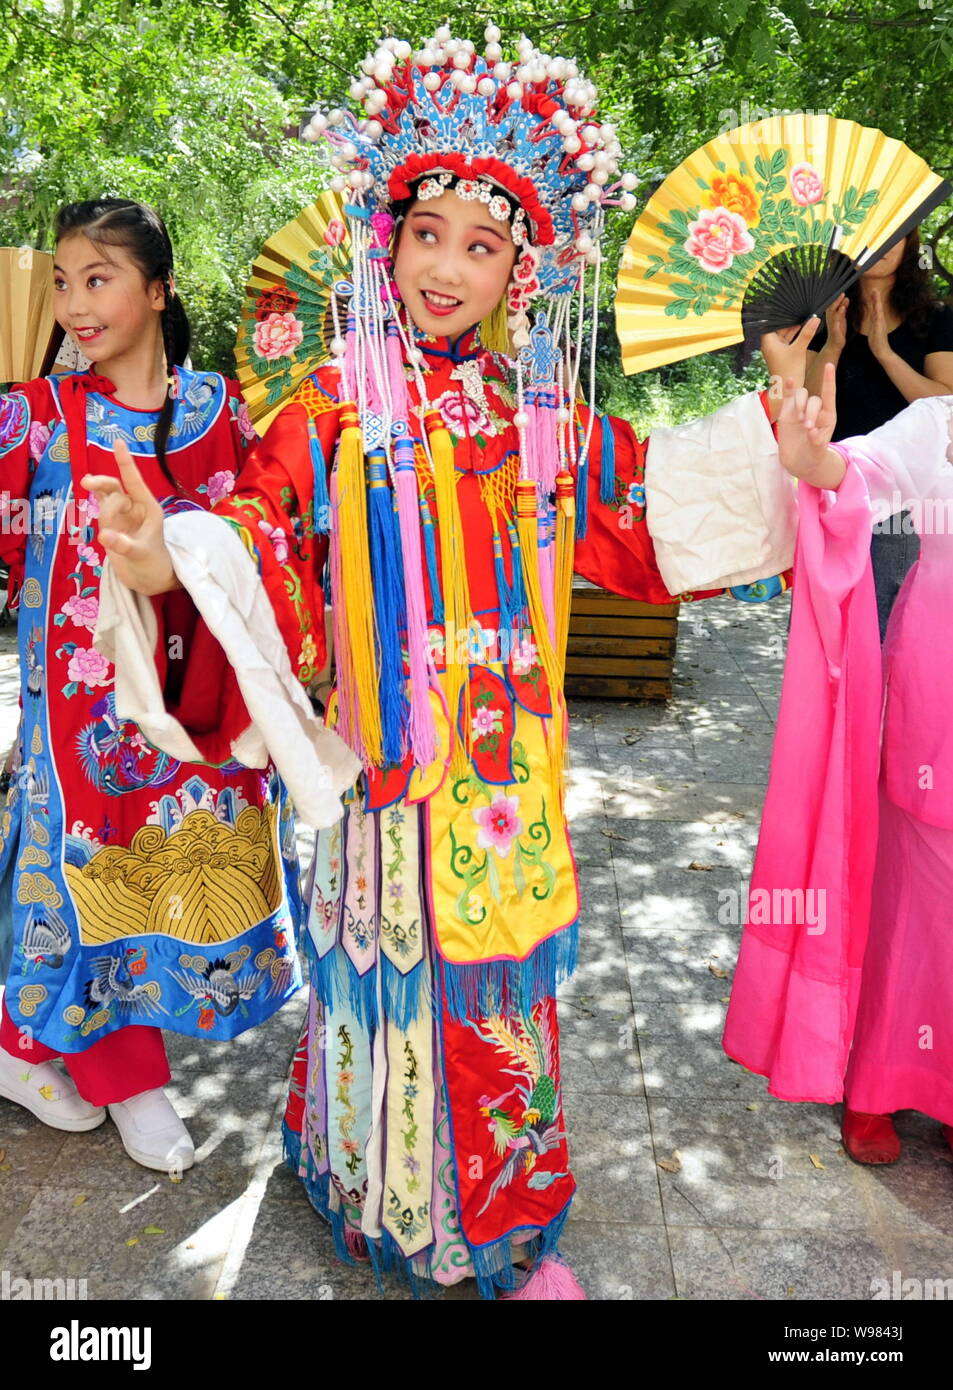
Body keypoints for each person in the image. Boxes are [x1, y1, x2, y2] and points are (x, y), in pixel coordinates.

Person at [87, 27, 804, 1297]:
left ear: (523, 272)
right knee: (379, 963)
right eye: (429, 234)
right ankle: (370, 1181)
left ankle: (491, 1223)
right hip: (384, 760)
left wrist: (776, 447)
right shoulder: (325, 406)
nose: (447, 267)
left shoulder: (542, 418)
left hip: (505, 764)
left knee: (489, 990)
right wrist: (166, 562)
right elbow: (257, 533)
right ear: (386, 238)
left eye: (484, 245)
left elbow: (643, 526)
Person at [0, 198, 356, 1173]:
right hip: (75, 698)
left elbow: (261, 536)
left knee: (178, 862)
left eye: (99, 277)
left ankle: (27, 1044)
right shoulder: (36, 412)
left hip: (188, 684)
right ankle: (128, 1076)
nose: (76, 301)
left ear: (157, 291)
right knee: (81, 862)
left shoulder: (219, 409)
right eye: (63, 281)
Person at [723, 362, 953, 1165]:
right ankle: (879, 1080)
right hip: (938, 698)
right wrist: (809, 453)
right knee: (917, 901)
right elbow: (852, 478)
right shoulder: (938, 427)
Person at [806, 232, 953, 638]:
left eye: (896, 235)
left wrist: (885, 353)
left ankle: (885, 700)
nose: (882, 245)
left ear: (910, 246)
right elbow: (810, 405)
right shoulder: (823, 314)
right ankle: (830, 702)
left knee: (887, 616)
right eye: (871, 234)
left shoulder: (936, 317)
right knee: (828, 618)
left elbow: (945, 404)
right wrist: (834, 345)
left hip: (908, 488)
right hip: (834, 482)